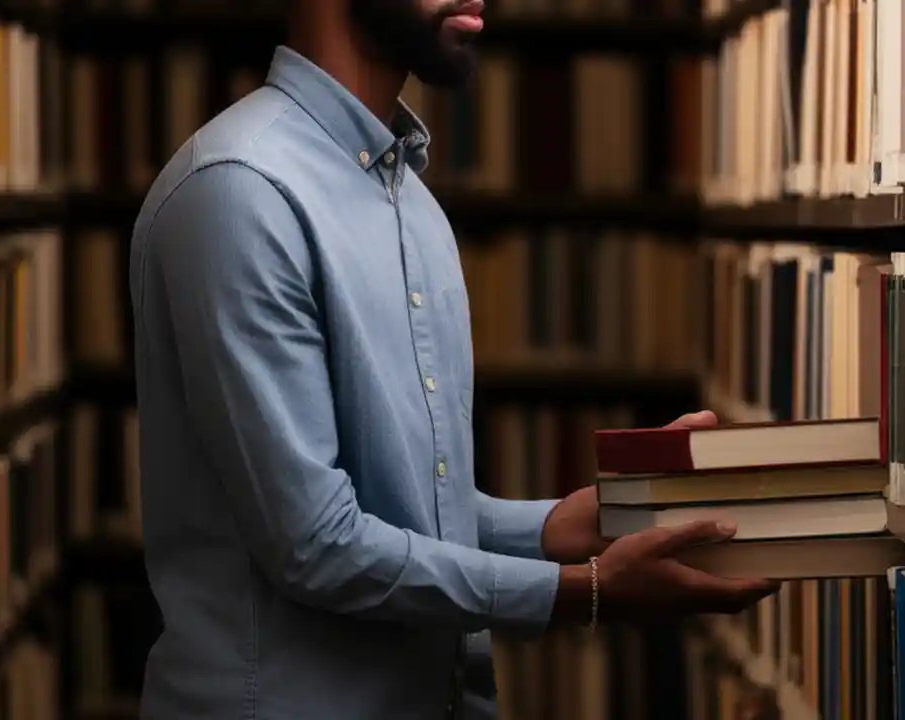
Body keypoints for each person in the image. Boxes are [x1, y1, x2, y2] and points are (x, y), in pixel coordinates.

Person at [127, 1, 778, 717]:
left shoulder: (409, 198)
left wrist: (562, 527)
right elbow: (315, 542)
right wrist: (583, 590)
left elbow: (398, 506)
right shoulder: (239, 192)